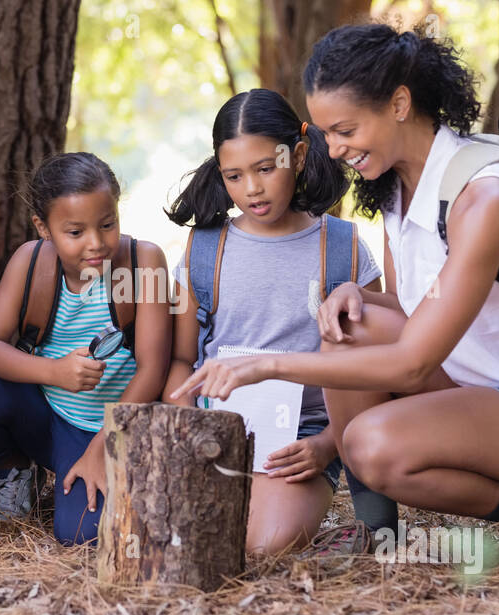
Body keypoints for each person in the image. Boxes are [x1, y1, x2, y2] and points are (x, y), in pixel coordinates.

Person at [172, 23, 499, 557]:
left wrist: (267, 365)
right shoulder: (399, 189)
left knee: (371, 446)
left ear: (399, 103)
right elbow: (423, 309)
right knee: (348, 323)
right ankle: (377, 531)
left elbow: (411, 363)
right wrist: (358, 296)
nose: (334, 149)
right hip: (491, 395)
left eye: (345, 130)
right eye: (325, 134)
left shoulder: (484, 201)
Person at [162, 88, 381, 553]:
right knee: (194, 539)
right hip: (215, 430)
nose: (253, 189)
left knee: (262, 547)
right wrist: (188, 431)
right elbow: (182, 359)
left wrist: (327, 445)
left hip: (302, 440)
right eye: (235, 176)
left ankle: (341, 529)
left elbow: (379, 368)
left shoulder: (341, 247)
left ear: (298, 156)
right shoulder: (204, 248)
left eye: (266, 169)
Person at [0, 152, 173, 545]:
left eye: (107, 225)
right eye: (75, 232)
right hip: (44, 415)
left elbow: (153, 370)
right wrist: (54, 372)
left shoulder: (145, 262)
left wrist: (104, 444)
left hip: (107, 424)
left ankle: (88, 469)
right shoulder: (30, 262)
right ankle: (16, 469)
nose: (96, 243)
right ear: (43, 227)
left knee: (80, 535)